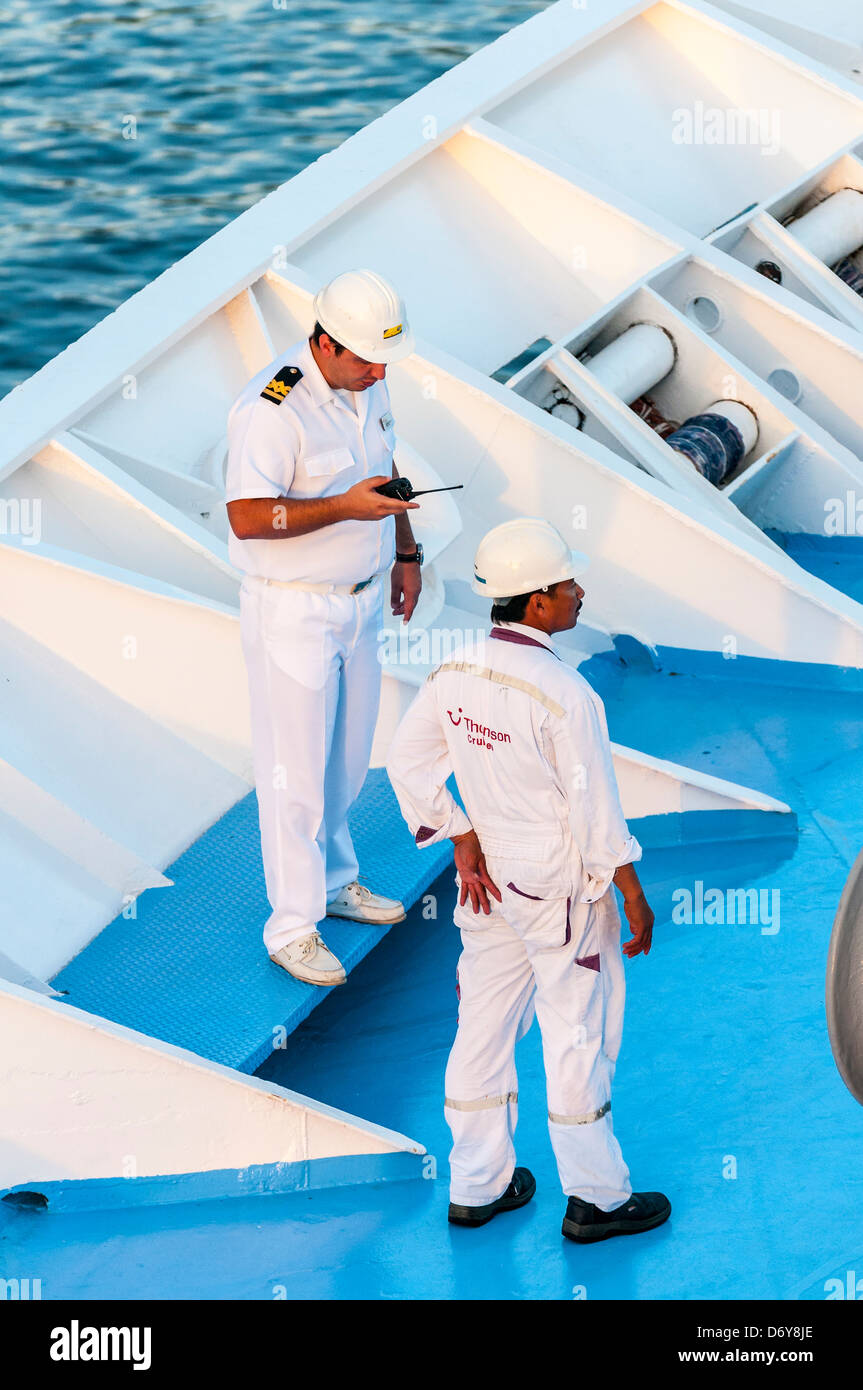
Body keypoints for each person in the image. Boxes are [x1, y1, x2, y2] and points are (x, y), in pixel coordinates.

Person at [386, 517, 671, 1242]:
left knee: (480, 1030)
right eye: (567, 583)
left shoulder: (454, 671)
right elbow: (596, 814)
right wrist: (631, 895)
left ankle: (477, 1186)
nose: (579, 591)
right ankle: (597, 1200)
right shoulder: (563, 693)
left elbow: (406, 764)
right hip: (557, 889)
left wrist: (459, 833)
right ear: (537, 603)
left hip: (487, 889)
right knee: (574, 1033)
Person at [225, 269, 424, 987]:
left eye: (384, 361)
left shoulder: (368, 380)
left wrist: (404, 550)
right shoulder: (272, 407)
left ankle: (336, 880)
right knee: (295, 773)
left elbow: (382, 461)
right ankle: (292, 926)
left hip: (362, 598)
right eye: (366, 361)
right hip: (293, 611)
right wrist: (343, 509)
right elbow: (247, 516)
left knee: (346, 758)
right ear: (324, 342)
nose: (378, 373)